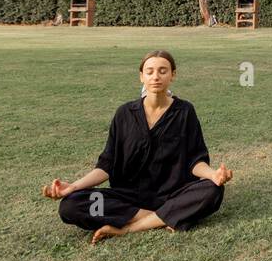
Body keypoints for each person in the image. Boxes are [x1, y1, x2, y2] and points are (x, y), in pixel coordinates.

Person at [42, 50, 232, 244]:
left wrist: (213, 175)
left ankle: (129, 228)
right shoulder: (124, 114)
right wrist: (72, 187)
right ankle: (161, 217)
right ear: (141, 76)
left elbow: (195, 161)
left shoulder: (184, 112)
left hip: (173, 193)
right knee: (71, 205)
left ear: (173, 75)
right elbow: (107, 165)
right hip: (128, 198)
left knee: (212, 191)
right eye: (149, 71)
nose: (156, 76)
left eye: (163, 71)